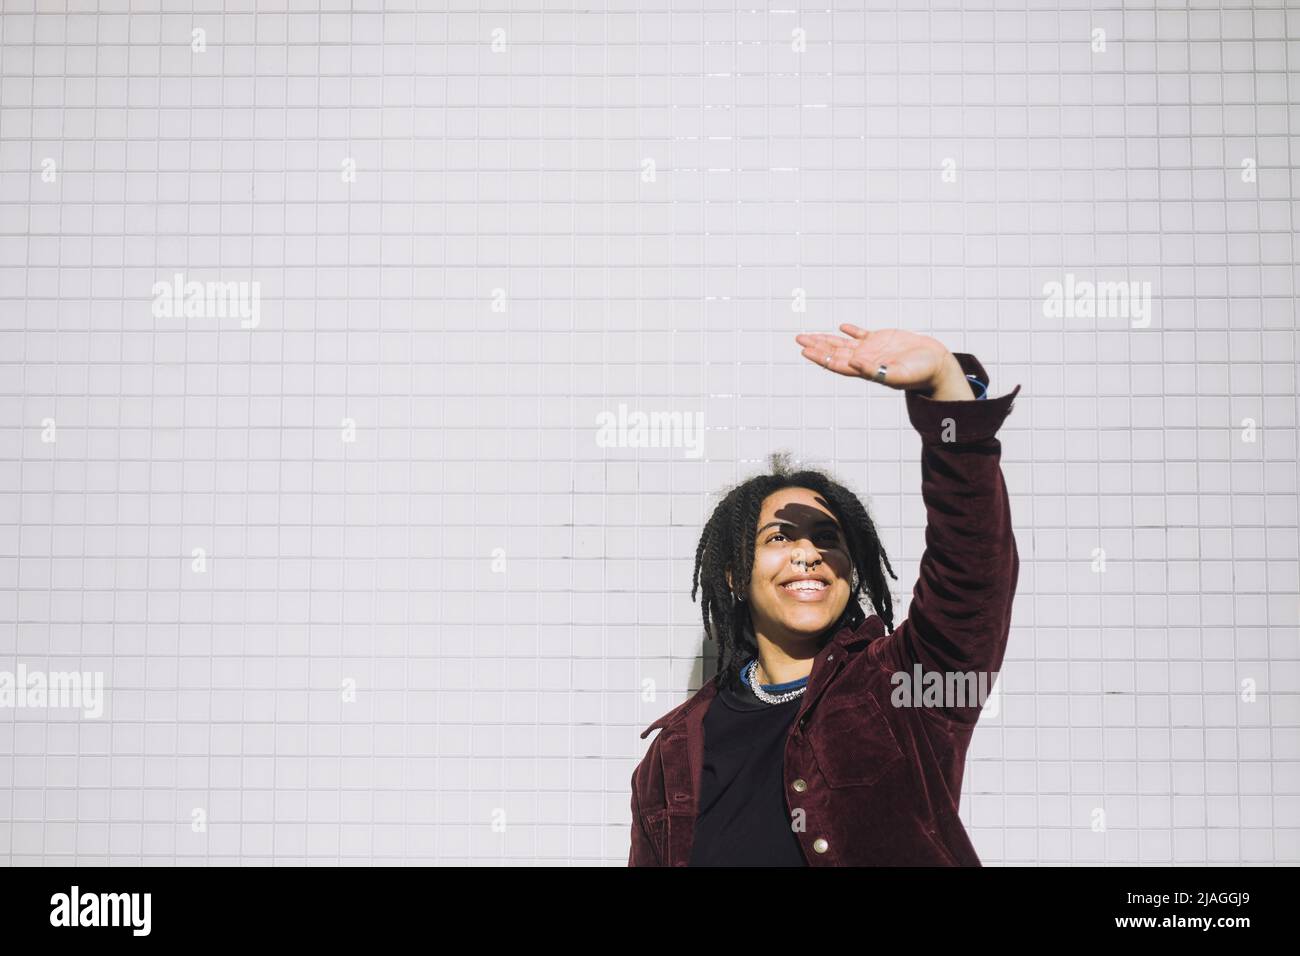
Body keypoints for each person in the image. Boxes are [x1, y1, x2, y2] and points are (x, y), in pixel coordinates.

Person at [628, 326, 1021, 866]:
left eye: (828, 538)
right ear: (735, 578)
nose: (807, 553)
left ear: (851, 572)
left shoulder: (902, 686)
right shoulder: (672, 756)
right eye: (779, 537)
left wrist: (946, 394)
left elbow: (971, 572)